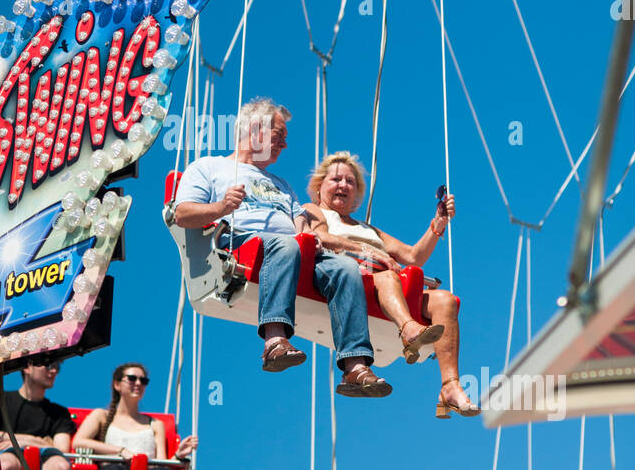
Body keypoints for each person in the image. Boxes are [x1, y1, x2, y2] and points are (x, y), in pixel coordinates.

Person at [172, 98, 391, 397]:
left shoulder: (281, 184)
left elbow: (300, 226)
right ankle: (275, 341)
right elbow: (182, 214)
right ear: (255, 130)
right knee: (284, 243)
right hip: (243, 242)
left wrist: (311, 238)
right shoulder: (209, 167)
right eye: (280, 135)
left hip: (294, 250)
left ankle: (355, 366)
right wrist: (222, 206)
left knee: (345, 268)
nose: (284, 145)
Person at [305, 151, 479, 418]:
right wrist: (367, 251)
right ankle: (409, 330)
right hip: (346, 282)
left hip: (388, 289)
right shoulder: (313, 211)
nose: (343, 186)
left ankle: (450, 386)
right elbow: (318, 236)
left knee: (445, 300)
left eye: (350, 182)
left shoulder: (369, 230)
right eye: (336, 179)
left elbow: (413, 256)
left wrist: (438, 224)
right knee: (386, 274)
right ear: (319, 187)